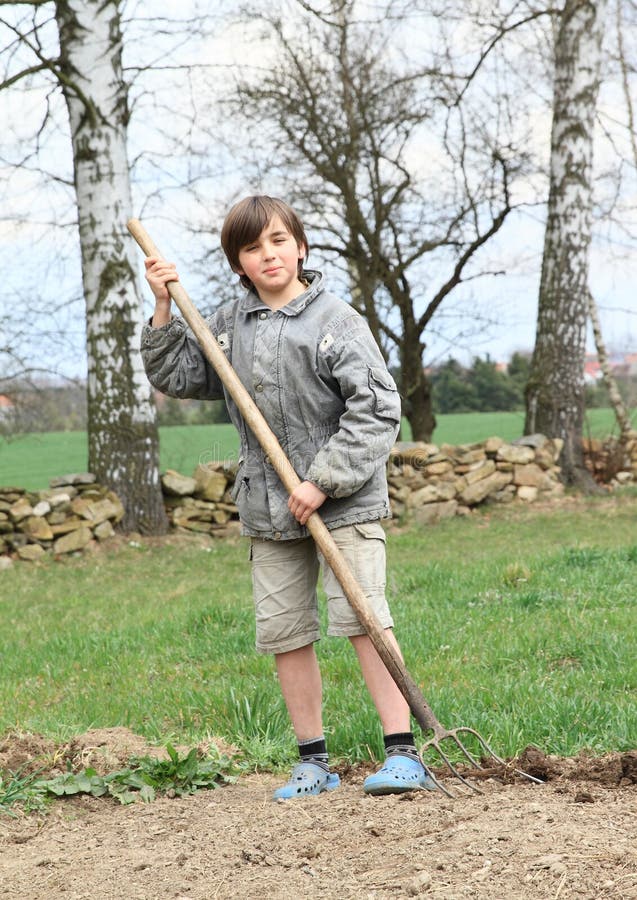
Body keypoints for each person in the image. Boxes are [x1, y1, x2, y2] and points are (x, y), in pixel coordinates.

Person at [140, 195, 436, 800]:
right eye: (252, 248)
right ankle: (313, 762)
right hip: (267, 507)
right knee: (285, 632)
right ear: (238, 264)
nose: (268, 255)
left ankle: (404, 753)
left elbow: (378, 410)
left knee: (363, 620)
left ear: (300, 247)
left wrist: (322, 481)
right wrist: (164, 307)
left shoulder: (336, 321)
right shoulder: (227, 327)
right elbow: (177, 375)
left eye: (278, 241)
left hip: (344, 503)